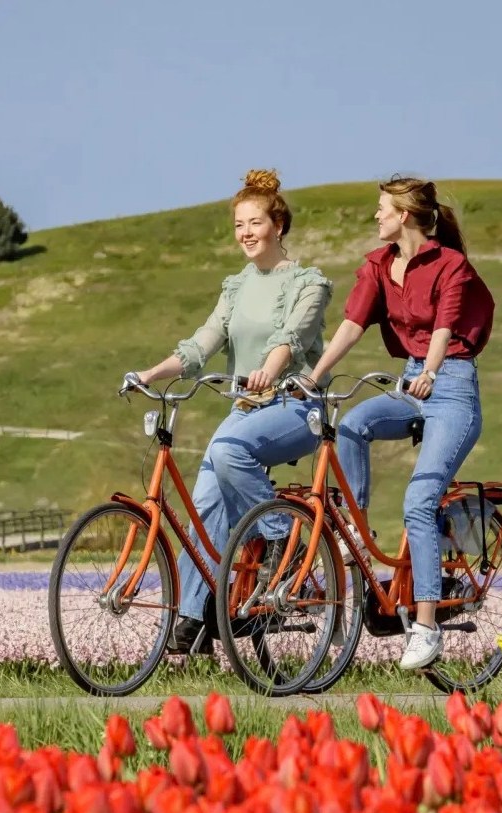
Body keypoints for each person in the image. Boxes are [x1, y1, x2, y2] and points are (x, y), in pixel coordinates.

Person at [134, 169, 333, 653]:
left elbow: (292, 338)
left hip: (297, 406)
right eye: (239, 224)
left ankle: (283, 548)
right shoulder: (236, 287)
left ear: (278, 226)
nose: (246, 233)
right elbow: (205, 340)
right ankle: (194, 619)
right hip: (247, 406)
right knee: (204, 505)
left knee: (227, 451)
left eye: (255, 223)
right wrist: (151, 373)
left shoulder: (310, 284)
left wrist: (268, 369)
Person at [307, 175, 494, 671]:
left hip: (450, 387)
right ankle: (356, 533)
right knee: (351, 426)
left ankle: (427, 627)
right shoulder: (378, 265)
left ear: (405, 215)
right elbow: (351, 325)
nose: (376, 217)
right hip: (410, 383)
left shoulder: (451, 265)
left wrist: (431, 373)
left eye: (382, 209)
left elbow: (445, 327)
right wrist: (316, 376)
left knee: (419, 499)